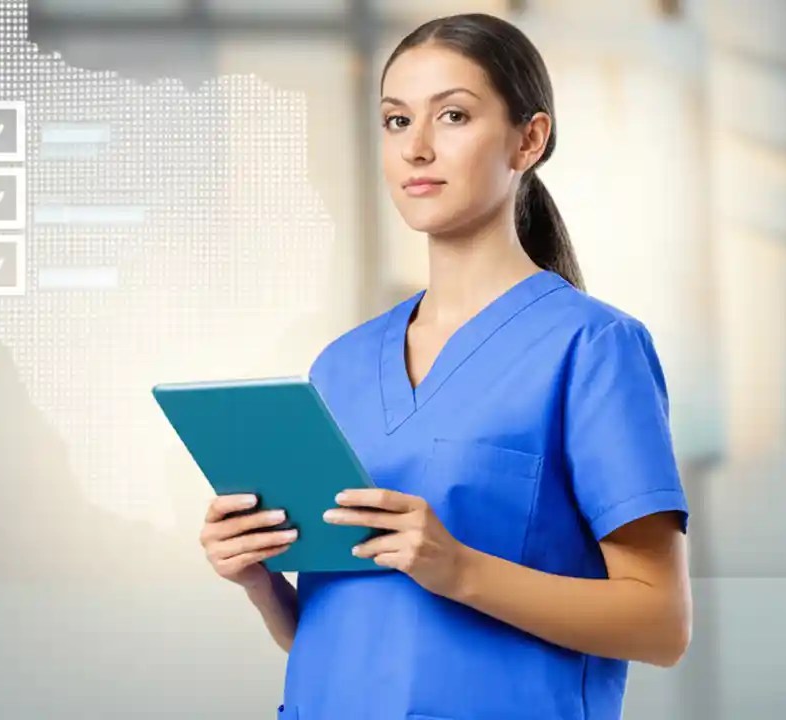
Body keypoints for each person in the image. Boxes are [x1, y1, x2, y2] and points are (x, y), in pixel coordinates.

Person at [198, 12, 691, 719]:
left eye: (453, 116)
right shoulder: (340, 367)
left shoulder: (592, 348)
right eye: (396, 122)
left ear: (529, 139)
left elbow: (661, 625)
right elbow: (346, 640)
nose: (416, 149)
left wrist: (457, 567)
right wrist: (259, 581)